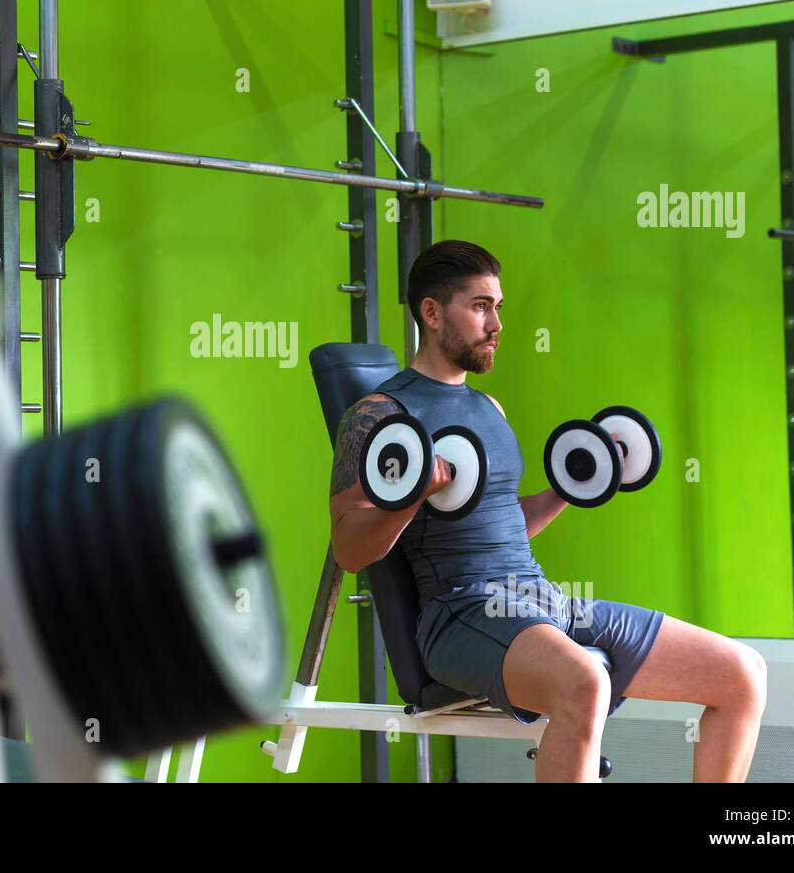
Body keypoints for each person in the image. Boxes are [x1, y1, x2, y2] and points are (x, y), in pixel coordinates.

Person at [327, 239, 767, 782]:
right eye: (481, 306)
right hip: (461, 614)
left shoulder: (487, 407)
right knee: (585, 680)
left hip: (541, 599)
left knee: (742, 675)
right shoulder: (378, 415)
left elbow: (503, 522)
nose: (497, 324)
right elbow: (348, 549)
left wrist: (569, 485)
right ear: (433, 313)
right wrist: (415, 494)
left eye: (498, 308)